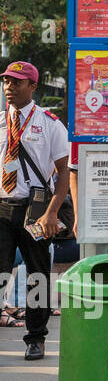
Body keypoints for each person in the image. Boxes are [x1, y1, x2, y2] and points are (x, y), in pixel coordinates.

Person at [0, 61, 70, 360]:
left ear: (33, 86)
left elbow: (64, 173)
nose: (9, 88)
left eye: (16, 82)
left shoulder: (50, 124)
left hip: (36, 210)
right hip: (3, 208)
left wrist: (52, 213)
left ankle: (36, 337)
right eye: (6, 82)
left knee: (37, 276)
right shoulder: (1, 123)